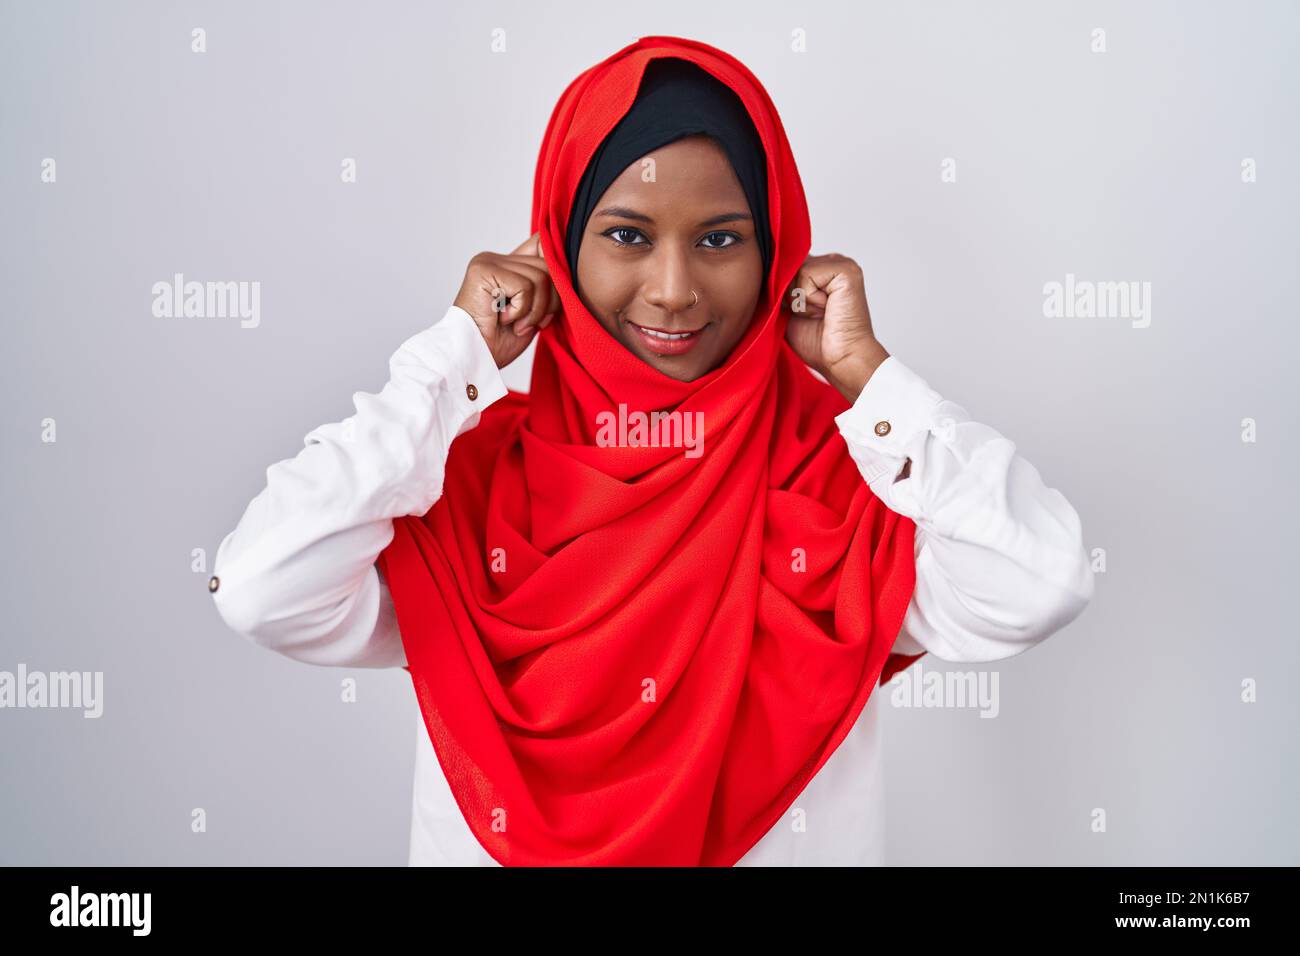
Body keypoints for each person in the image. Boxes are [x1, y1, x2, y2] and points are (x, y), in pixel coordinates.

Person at [209, 36, 1094, 866]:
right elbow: (262, 587)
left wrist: (867, 376)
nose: (674, 292)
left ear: (775, 253)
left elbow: (1040, 580)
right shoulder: (461, 489)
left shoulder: (839, 488)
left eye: (721, 240)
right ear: (559, 246)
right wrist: (453, 358)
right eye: (627, 235)